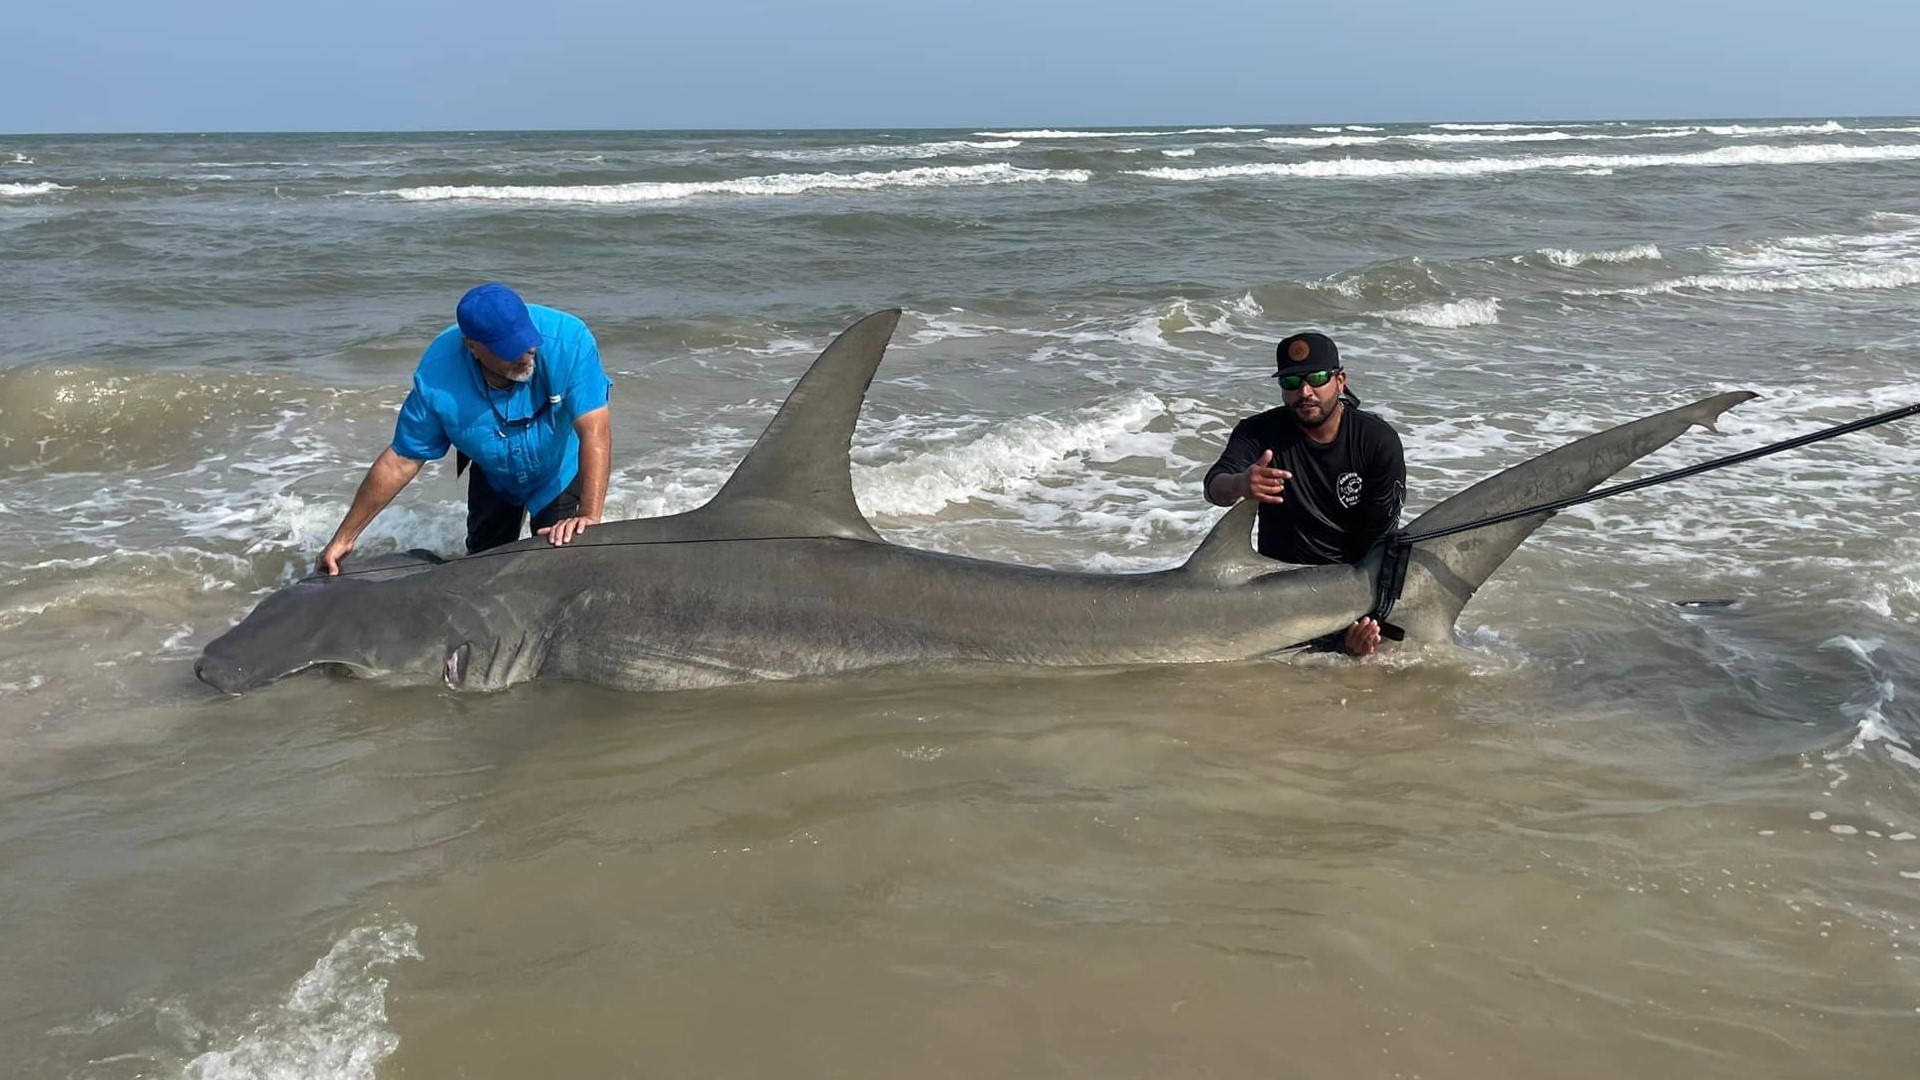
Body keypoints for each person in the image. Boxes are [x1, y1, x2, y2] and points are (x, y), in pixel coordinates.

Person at [316, 283, 613, 575]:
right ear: (472, 346)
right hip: (494, 472)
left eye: (527, 341)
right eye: (508, 351)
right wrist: (344, 538)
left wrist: (589, 516)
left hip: (557, 469)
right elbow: (401, 461)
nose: (524, 354)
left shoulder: (569, 341)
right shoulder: (437, 376)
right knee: (481, 569)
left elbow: (595, 431)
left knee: (559, 564)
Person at [1203, 331, 1406, 656]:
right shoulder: (1258, 433)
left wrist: (1365, 619)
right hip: (1277, 593)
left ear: (1340, 380)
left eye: (1316, 378)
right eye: (1291, 383)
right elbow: (1215, 485)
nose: (1305, 391)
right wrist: (1240, 484)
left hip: (1348, 593)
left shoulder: (1376, 441)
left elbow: (1381, 542)